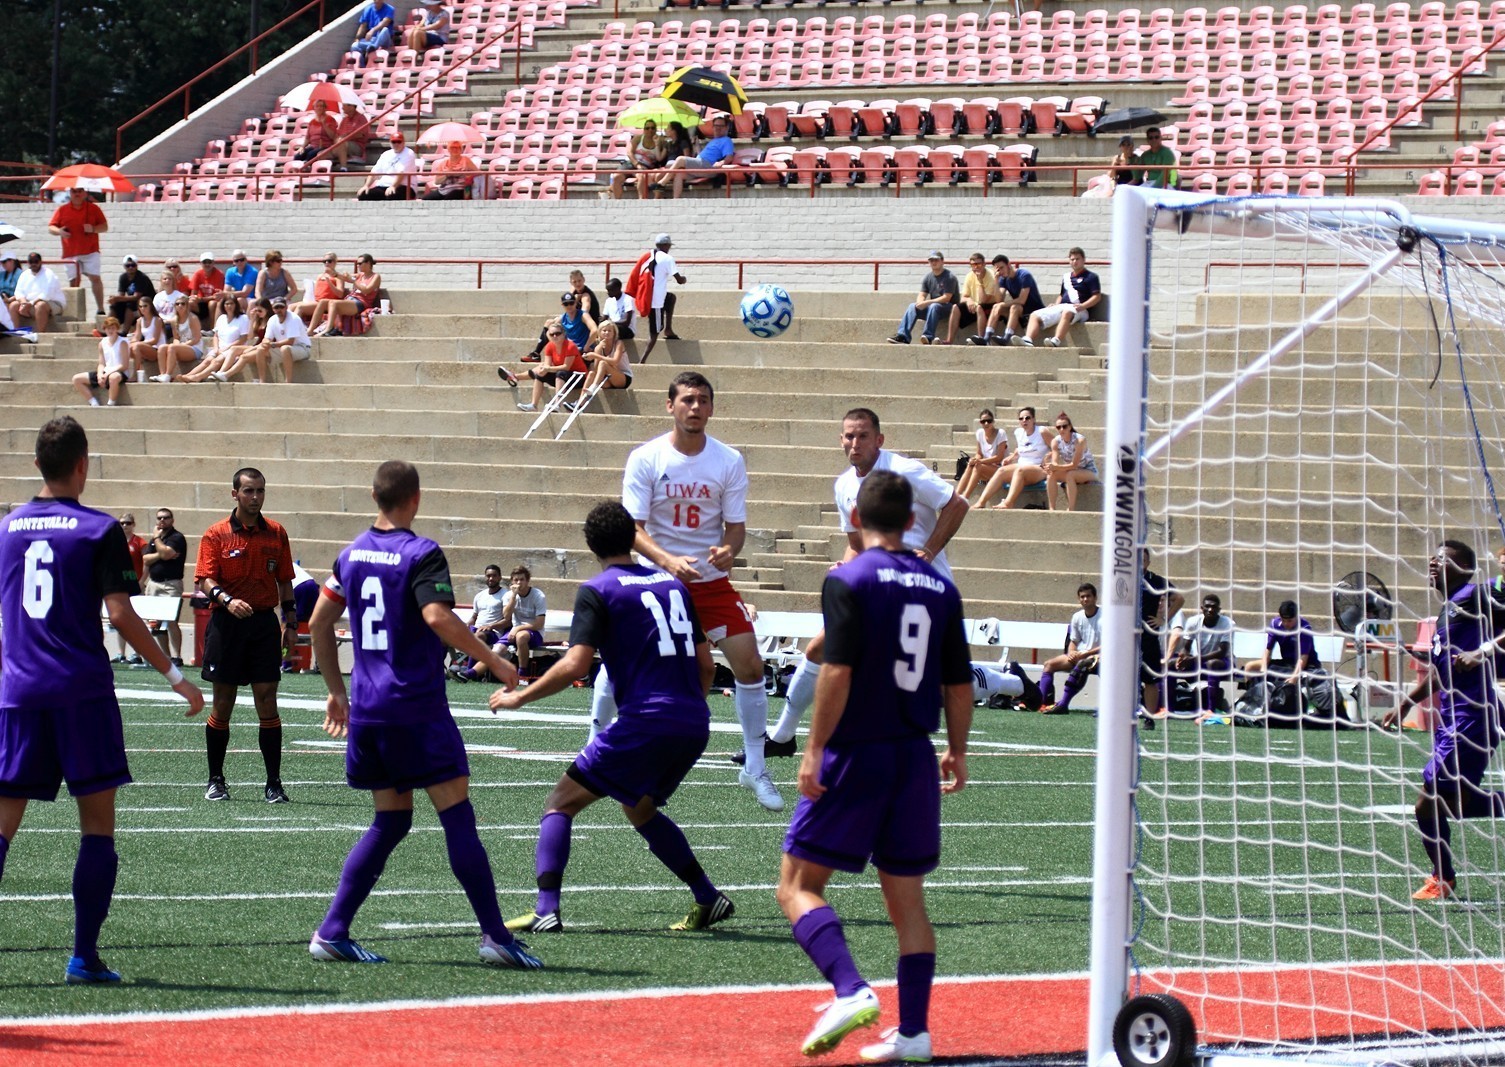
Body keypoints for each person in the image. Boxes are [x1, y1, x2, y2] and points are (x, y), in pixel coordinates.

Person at [303, 460, 542, 968]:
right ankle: (496, 937)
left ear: (374, 496)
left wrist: (334, 690)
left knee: (389, 821)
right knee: (457, 814)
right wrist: (495, 660)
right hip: (414, 707)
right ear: (416, 498)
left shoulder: (350, 553)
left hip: (368, 709)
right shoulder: (422, 552)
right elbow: (436, 616)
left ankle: (332, 930)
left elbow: (320, 622)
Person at [0, 416, 204, 985]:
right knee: (96, 826)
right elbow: (119, 613)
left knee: (3, 825)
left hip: (19, 691)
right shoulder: (98, 529)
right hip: (81, 691)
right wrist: (174, 676)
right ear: (83, 464)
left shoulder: (9, 527)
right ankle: (83, 957)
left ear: (37, 464)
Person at [776, 470, 972, 1062]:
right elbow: (958, 683)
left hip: (858, 749)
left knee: (796, 885)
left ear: (856, 519)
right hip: (914, 755)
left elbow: (837, 670)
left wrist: (813, 749)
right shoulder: (941, 588)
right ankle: (914, 1033)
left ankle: (849, 990)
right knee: (908, 903)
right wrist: (959, 750)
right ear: (913, 520)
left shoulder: (850, 577)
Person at [493, 501, 734, 935]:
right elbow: (707, 666)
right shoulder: (674, 586)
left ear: (591, 545)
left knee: (559, 805)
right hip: (694, 722)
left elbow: (576, 665)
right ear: (632, 538)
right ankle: (707, 897)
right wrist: (687, 709)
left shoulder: (599, 589)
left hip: (646, 721)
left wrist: (519, 698)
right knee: (638, 808)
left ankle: (546, 908)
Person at [591, 372, 782, 811]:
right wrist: (666, 561)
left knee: (750, 665)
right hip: (655, 582)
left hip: (709, 584)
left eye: (703, 400)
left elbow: (735, 528)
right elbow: (631, 528)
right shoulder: (646, 457)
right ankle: (595, 744)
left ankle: (754, 766)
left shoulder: (728, 460)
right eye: (688, 400)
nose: (695, 407)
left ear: (712, 408)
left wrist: (728, 552)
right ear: (670, 405)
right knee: (621, 662)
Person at [759, 408, 969, 765]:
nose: (855, 443)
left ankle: (1004, 682)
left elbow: (957, 503)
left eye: (863, 436)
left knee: (930, 675)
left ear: (879, 440)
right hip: (875, 585)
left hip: (918, 588)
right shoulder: (844, 485)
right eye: (849, 436)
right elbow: (856, 544)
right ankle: (783, 735)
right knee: (818, 651)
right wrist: (845, 568)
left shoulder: (903, 471)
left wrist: (928, 551)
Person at [1381, 541, 1505, 901]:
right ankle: (1444, 878)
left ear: (1465, 567)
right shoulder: (1448, 611)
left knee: (1428, 803)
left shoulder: (1474, 595)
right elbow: (1442, 671)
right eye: (1432, 558)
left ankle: (1443, 878)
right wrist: (1406, 702)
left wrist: (1482, 652)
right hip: (1452, 718)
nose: (1433, 563)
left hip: (1472, 718)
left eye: (1442, 559)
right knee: (1446, 804)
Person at [195, 467, 297, 804]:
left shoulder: (277, 533)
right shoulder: (216, 534)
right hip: (226, 626)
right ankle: (215, 779)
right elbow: (205, 579)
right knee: (223, 703)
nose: (255, 497)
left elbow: (285, 580)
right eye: (249, 491)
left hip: (264, 625)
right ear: (234, 493)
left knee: (267, 700)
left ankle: (273, 783)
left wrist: (291, 623)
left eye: (260, 491)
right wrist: (226, 599)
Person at [1036, 583, 1102, 714]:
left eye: (1088, 596)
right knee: (1049, 665)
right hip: (1081, 655)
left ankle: (1063, 704)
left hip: (1100, 656)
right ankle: (1040, 703)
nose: (1085, 599)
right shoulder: (1077, 617)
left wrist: (1086, 654)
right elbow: (1074, 641)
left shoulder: (1105, 616)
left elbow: (1109, 644)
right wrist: (1072, 653)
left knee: (1085, 664)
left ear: (1095, 598)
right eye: (1082, 597)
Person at [1166, 594, 1235, 718]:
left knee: (1212, 663)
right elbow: (1186, 647)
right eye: (1207, 607)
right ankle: (1169, 709)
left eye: (1214, 607)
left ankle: (1211, 710)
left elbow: (1222, 652)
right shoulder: (1193, 622)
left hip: (1223, 663)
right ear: (1202, 608)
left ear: (1219, 610)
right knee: (1172, 663)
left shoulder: (1228, 624)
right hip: (1201, 662)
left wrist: (1193, 659)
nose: (1210, 610)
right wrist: (1183, 657)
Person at [1019, 247, 1103, 349]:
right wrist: (1056, 304)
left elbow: (1096, 296)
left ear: (1083, 260)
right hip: (1063, 306)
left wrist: (1083, 306)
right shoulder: (1066, 277)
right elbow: (1062, 294)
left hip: (1081, 309)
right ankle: (1028, 340)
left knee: (1067, 312)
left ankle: (1056, 340)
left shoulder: (1091, 277)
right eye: (1072, 259)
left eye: (1077, 259)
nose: (1075, 262)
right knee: (1035, 315)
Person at [977, 407, 1056, 510]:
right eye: (1021, 418)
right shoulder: (1019, 432)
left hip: (1039, 467)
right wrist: (1010, 458)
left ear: (1033, 419)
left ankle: (1008, 503)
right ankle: (981, 502)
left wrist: (1049, 457)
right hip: (1022, 465)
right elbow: (1021, 449)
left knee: (1019, 470)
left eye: (1027, 418)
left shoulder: (1042, 431)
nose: (1024, 420)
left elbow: (1057, 447)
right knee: (1001, 470)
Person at [47, 187, 109, 318]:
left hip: (91, 251)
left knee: (95, 278)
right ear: (70, 193)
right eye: (74, 191)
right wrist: (60, 232)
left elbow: (104, 226)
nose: (77, 194)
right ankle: (75, 312)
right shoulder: (62, 209)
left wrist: (92, 228)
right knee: (74, 282)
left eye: (80, 191)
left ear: (85, 193)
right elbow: (51, 227)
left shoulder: (93, 209)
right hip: (71, 252)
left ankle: (101, 309)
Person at [143, 507, 188, 665]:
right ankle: (166, 657)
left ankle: (177, 656)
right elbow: (146, 559)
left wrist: (158, 541)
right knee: (156, 622)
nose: (162, 520)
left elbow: (167, 553)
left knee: (171, 620)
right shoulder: (155, 540)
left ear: (172, 520)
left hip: (171, 584)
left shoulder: (177, 538)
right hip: (154, 583)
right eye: (160, 518)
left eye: (166, 517)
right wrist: (160, 554)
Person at [449, 564, 508, 682]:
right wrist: (465, 625)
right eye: (488, 576)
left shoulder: (506, 595)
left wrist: (491, 626)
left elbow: (508, 620)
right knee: (445, 635)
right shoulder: (480, 596)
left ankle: (467, 672)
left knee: (479, 636)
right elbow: (474, 617)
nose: (491, 578)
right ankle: (439, 670)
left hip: (493, 632)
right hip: (476, 629)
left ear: (500, 578)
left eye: (494, 576)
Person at [1140, 560, 1184, 719]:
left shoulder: (1156, 580)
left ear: (1149, 561)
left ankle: (1149, 718)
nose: (1141, 562)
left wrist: (1164, 619)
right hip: (1127, 635)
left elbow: (1179, 598)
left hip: (1148, 636)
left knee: (1149, 679)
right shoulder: (1125, 577)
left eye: (1144, 559)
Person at [886, 252, 959, 346]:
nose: (933, 262)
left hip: (949, 308)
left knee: (934, 306)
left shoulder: (949, 277)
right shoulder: (928, 277)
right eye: (931, 260)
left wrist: (927, 302)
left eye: (936, 260)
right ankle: (903, 336)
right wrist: (920, 302)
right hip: (934, 308)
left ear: (942, 261)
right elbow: (922, 294)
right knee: (912, 306)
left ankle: (928, 337)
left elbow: (947, 298)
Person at [656, 115, 736, 198]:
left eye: (721, 126)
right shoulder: (713, 141)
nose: (717, 128)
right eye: (716, 125)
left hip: (709, 166)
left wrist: (721, 162)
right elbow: (702, 155)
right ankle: (675, 200)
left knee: (680, 159)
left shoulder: (727, 140)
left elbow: (729, 157)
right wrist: (696, 145)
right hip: (701, 165)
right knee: (679, 174)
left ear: (726, 128)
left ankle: (662, 183)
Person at [634, 233, 683, 364]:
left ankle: (668, 329)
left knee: (671, 298)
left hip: (647, 295)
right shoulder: (668, 258)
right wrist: (684, 279)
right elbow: (679, 280)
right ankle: (643, 360)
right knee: (654, 332)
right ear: (666, 245)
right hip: (655, 301)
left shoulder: (648, 256)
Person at [516, 321, 585, 413]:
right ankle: (533, 405)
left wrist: (547, 368)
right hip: (563, 376)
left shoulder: (570, 346)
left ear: (563, 334)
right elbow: (548, 365)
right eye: (552, 334)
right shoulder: (549, 346)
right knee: (540, 375)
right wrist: (543, 370)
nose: (555, 336)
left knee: (561, 373)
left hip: (579, 377)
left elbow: (566, 367)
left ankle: (557, 404)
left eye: (557, 333)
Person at [982, 255, 1044, 346]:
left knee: (1014, 306)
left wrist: (1003, 304)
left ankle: (1006, 338)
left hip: (1033, 311)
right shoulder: (1003, 278)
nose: (1000, 271)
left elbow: (1022, 300)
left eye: (1002, 268)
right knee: (996, 306)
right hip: (1019, 311)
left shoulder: (1024, 275)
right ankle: (986, 338)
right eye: (997, 269)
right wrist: (996, 280)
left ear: (1009, 264)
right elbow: (999, 299)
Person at [1043, 411, 1099, 511]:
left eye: (1064, 426)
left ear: (1070, 427)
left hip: (1088, 471)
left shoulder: (1080, 440)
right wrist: (1051, 466)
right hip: (1071, 470)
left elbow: (1074, 465)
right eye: (1058, 427)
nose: (1061, 429)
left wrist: (1056, 467)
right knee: (1051, 474)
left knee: (1070, 474)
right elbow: (1055, 462)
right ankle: (1052, 508)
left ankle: (1071, 509)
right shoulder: (1056, 441)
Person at [499, 566, 547, 680]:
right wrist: (514, 596)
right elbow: (506, 616)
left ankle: (522, 673)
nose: (519, 583)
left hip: (535, 633)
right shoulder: (508, 596)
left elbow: (539, 624)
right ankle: (471, 673)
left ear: (527, 581)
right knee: (497, 650)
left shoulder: (538, 596)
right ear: (512, 581)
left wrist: (517, 629)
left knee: (521, 636)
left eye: (522, 579)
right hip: (514, 632)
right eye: (516, 580)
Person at [71, 316, 129, 407]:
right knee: (76, 379)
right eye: (108, 328)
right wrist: (100, 374)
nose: (110, 331)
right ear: (105, 330)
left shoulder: (122, 343)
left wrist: (108, 373)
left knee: (113, 377)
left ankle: (111, 403)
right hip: (106, 371)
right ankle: (93, 403)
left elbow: (124, 365)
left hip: (119, 372)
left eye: (113, 328)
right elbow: (101, 363)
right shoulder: (102, 343)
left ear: (117, 329)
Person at [213, 298, 273, 382]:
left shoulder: (272, 321)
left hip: (266, 348)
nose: (258, 313)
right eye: (256, 310)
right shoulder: (259, 320)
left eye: (260, 311)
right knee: (234, 349)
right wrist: (252, 320)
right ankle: (221, 372)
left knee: (244, 356)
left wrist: (251, 349)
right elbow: (250, 337)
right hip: (257, 346)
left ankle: (226, 375)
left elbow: (267, 342)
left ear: (267, 309)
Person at [610, 119, 666, 200]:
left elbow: (660, 158)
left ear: (656, 129)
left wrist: (658, 144)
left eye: (652, 128)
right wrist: (637, 164)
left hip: (647, 166)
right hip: (632, 163)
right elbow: (629, 152)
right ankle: (617, 201)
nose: (650, 130)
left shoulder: (660, 141)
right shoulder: (638, 138)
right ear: (644, 129)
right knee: (617, 176)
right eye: (647, 128)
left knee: (641, 176)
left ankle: (641, 200)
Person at [10, 252, 67, 333]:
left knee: (40, 305)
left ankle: (41, 335)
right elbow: (18, 292)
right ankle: (15, 333)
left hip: (53, 303)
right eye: (31, 262)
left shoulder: (49, 274)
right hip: (30, 303)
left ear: (40, 262)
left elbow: (46, 295)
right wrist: (24, 303)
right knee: (13, 305)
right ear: (28, 263)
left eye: (36, 261)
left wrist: (30, 304)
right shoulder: (24, 274)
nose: (33, 264)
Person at [956, 409, 1004, 504]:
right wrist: (975, 459)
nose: (986, 423)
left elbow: (999, 457)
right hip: (985, 467)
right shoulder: (979, 433)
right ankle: (956, 496)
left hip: (999, 469)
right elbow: (979, 453)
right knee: (971, 464)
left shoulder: (1001, 433)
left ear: (993, 421)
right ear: (980, 423)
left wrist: (981, 461)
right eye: (983, 421)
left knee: (978, 466)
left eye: (989, 421)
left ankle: (965, 497)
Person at [262, 296, 313, 382]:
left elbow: (290, 341)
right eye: (276, 307)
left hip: (303, 348)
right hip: (284, 349)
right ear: (273, 309)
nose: (279, 310)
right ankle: (261, 381)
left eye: (281, 307)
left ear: (286, 307)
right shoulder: (272, 320)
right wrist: (266, 342)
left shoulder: (293, 318)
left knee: (285, 348)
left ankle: (288, 381)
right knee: (260, 350)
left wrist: (273, 344)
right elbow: (267, 338)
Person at [953, 252, 1000, 345]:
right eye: (973, 264)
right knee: (956, 307)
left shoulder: (991, 275)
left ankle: (982, 339)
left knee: (979, 307)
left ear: (984, 264)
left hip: (990, 306)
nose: (976, 267)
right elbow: (963, 298)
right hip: (975, 305)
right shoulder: (969, 276)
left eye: (978, 264)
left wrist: (980, 281)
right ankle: (949, 340)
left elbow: (983, 300)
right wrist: (969, 300)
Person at [357, 133, 417, 200]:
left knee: (391, 195)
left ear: (403, 143)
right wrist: (366, 186)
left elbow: (401, 173)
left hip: (404, 186)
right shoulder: (386, 154)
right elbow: (374, 172)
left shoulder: (409, 153)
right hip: (384, 185)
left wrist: (393, 186)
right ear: (390, 143)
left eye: (399, 142)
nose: (396, 144)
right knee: (364, 195)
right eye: (394, 142)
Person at [582, 321, 632, 394]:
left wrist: (595, 355)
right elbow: (596, 369)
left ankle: (594, 387)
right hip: (608, 378)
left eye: (609, 331)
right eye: (604, 330)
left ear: (614, 333)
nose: (607, 333)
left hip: (623, 377)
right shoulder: (598, 347)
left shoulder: (618, 344)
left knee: (603, 363)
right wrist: (598, 349)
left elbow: (615, 361)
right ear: (600, 332)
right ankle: (580, 403)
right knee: (591, 374)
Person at [108, 255, 155, 331]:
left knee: (131, 303)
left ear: (136, 266)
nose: (130, 267)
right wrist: (114, 299)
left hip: (146, 305)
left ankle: (124, 331)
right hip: (135, 305)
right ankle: (108, 328)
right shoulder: (123, 277)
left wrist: (117, 298)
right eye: (128, 265)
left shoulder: (142, 278)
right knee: (115, 305)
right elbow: (121, 296)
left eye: (133, 265)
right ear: (124, 267)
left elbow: (136, 297)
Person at [350, 0, 398, 67]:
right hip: (371, 40)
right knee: (354, 46)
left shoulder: (390, 9)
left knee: (385, 30)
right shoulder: (368, 9)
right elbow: (363, 26)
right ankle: (362, 66)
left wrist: (373, 30)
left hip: (385, 39)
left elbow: (385, 22)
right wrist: (357, 38)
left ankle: (373, 48)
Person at [296, 99, 340, 164]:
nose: (319, 108)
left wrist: (324, 124)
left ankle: (307, 170)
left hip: (325, 146)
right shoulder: (312, 122)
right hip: (313, 146)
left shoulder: (330, 120)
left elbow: (333, 136)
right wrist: (302, 147)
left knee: (311, 155)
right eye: (317, 106)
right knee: (298, 156)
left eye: (321, 106)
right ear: (314, 108)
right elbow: (308, 138)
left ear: (325, 108)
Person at [188, 253, 226, 327]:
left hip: (212, 302)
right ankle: (192, 327)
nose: (207, 264)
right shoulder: (198, 274)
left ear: (213, 263)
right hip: (201, 303)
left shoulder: (219, 274)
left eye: (209, 262)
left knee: (212, 303)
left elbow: (217, 296)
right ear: (201, 263)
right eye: (205, 262)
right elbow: (193, 293)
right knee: (190, 302)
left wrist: (201, 299)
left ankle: (212, 329)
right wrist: (194, 298)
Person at [334, 104, 372, 169]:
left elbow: (360, 134)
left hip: (357, 146)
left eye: (344, 105)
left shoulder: (361, 118)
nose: (342, 108)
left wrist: (345, 137)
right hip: (343, 144)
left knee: (341, 144)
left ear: (351, 107)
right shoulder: (344, 119)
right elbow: (339, 134)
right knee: (321, 154)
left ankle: (343, 167)